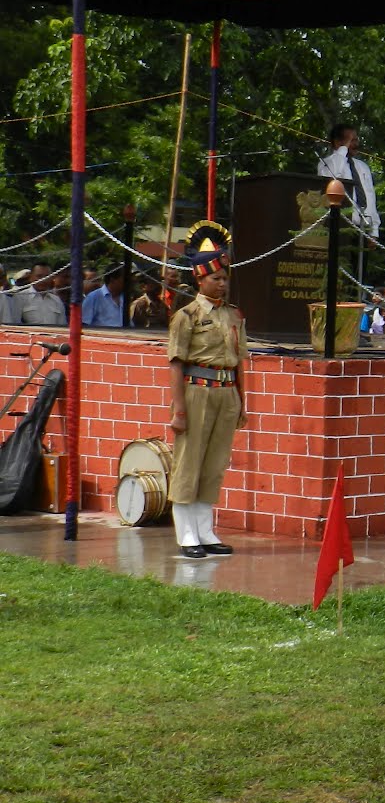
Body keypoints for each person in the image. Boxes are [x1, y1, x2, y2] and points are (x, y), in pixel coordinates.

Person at [166, 222, 247, 560]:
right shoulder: (186, 316)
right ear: (200, 279)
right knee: (190, 463)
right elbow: (176, 364)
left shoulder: (234, 315)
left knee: (214, 464)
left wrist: (242, 402)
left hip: (226, 392)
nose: (223, 283)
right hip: (197, 390)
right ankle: (186, 535)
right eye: (216, 278)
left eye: (225, 278)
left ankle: (206, 532)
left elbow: (240, 361)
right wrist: (179, 409)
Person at [317, 123, 381, 239]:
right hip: (340, 226)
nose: (356, 144)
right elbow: (332, 176)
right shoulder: (327, 163)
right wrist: (343, 149)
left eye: (356, 140)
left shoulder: (362, 167)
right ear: (337, 142)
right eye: (351, 140)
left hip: (364, 228)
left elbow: (371, 198)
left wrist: (374, 230)